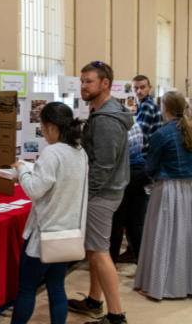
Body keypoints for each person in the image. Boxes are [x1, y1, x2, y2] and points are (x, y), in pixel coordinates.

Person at [10, 102, 90, 324]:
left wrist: (22, 170)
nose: (42, 132)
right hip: (68, 235)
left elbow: (34, 190)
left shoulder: (52, 152)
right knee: (57, 287)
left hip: (44, 235)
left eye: (42, 127)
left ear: (52, 126)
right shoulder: (79, 152)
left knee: (26, 289)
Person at [67, 62, 134, 323]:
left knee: (99, 252)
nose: (83, 86)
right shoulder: (104, 113)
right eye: (82, 81)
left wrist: (89, 193)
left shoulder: (106, 119)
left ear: (105, 84)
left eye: (89, 82)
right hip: (106, 193)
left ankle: (116, 316)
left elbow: (104, 165)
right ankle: (94, 300)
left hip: (102, 195)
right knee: (95, 249)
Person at [133, 91, 192, 300]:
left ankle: (157, 285)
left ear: (164, 108)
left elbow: (150, 166)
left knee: (162, 236)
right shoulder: (190, 130)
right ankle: (186, 284)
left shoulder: (162, 134)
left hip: (167, 189)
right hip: (188, 189)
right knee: (185, 238)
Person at [111, 75, 159, 263]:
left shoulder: (146, 108)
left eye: (142, 87)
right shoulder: (139, 112)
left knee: (119, 222)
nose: (139, 91)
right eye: (136, 88)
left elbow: (144, 141)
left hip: (134, 171)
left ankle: (113, 259)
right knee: (137, 221)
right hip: (142, 170)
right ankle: (139, 257)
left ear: (149, 87)